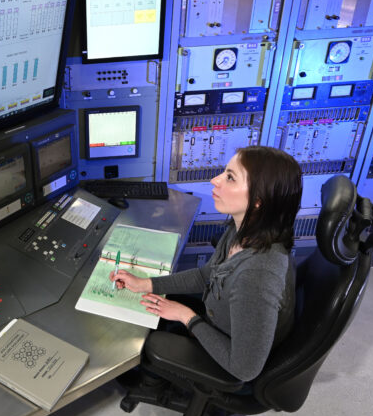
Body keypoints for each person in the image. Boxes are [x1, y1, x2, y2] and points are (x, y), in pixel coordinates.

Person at [110, 146, 302, 382]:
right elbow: (206, 275)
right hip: (218, 318)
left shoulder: (257, 276)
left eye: (230, 177)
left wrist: (186, 316)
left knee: (147, 346)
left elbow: (245, 369)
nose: (215, 180)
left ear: (258, 201)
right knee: (145, 309)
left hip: (230, 359)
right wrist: (146, 284)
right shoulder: (243, 229)